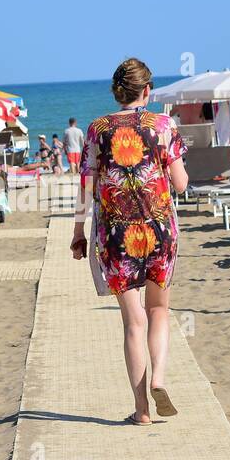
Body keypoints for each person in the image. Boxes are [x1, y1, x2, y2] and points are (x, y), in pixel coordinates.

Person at [72, 57, 189, 427]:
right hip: (159, 229)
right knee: (159, 311)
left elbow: (86, 188)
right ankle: (159, 378)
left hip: (116, 234)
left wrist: (78, 232)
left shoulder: (97, 128)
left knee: (133, 321)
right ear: (147, 91)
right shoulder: (164, 126)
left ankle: (141, 410)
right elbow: (182, 184)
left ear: (116, 91)